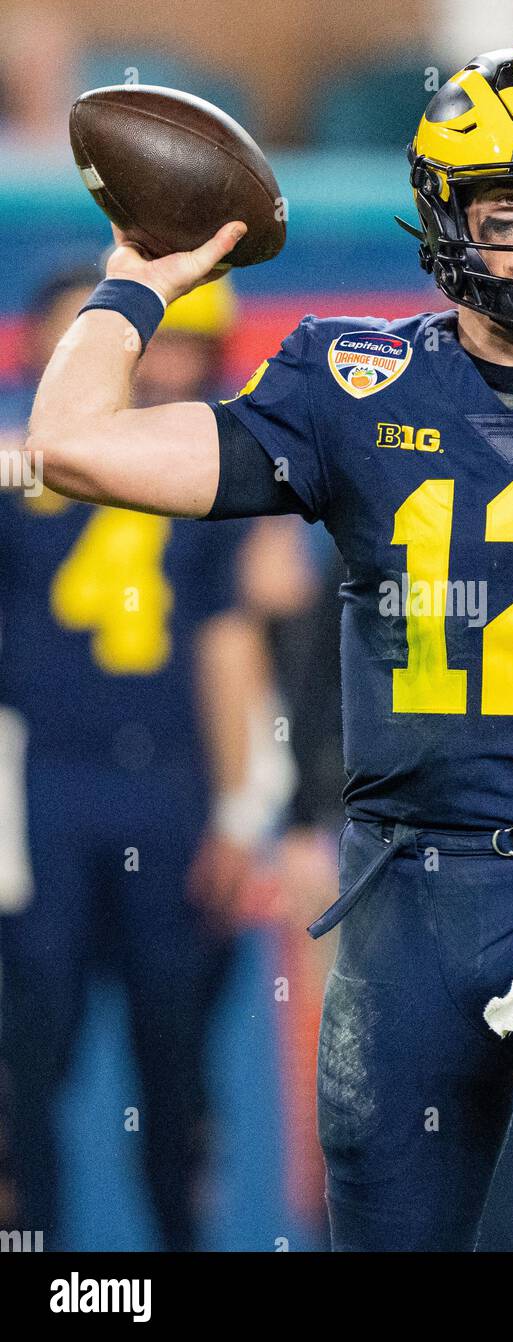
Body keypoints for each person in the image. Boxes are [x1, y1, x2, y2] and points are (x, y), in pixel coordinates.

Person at [26, 48, 513, 1252]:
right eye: (510, 211)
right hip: (408, 889)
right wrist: (137, 278)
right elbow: (74, 444)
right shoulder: (351, 375)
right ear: (446, 216)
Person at [0, 272, 268, 1250]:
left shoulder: (209, 475)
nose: (152, 368)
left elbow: (227, 647)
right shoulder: (23, 469)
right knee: (28, 1063)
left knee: (176, 1069)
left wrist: (242, 814)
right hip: (43, 793)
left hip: (168, 793)